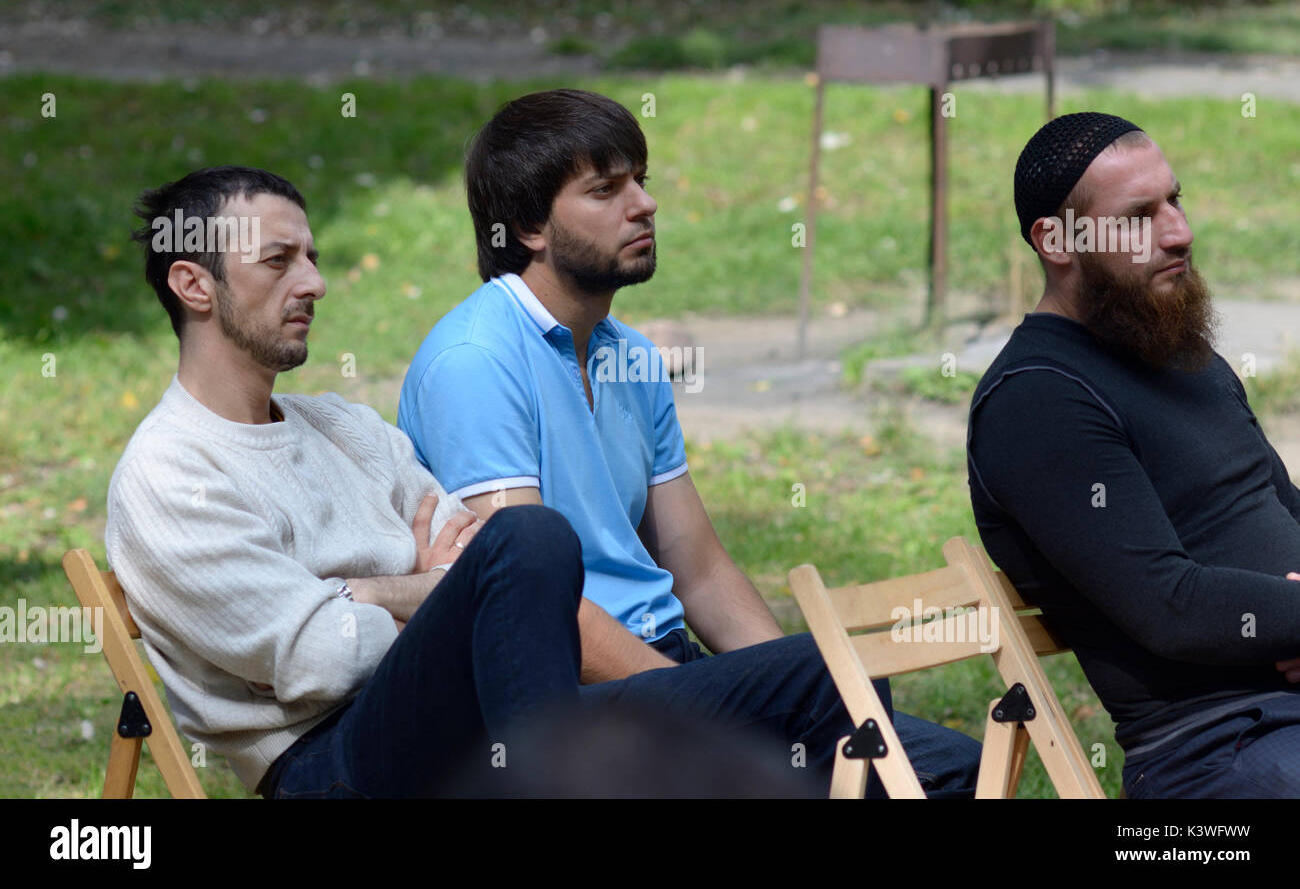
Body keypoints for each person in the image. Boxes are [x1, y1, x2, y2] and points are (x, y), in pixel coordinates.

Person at [106, 165, 887, 799]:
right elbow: (321, 659)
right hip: (337, 765)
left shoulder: (341, 425)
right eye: (279, 261)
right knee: (532, 535)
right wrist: (433, 584)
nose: (312, 282)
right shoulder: (172, 473)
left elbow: (479, 573)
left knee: (841, 679)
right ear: (193, 284)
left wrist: (376, 590)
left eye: (312, 257)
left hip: (489, 723)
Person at [398, 88, 982, 797]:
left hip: (670, 665)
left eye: (641, 181)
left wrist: (795, 697)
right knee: (828, 713)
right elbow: (525, 611)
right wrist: (727, 722)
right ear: (528, 226)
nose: (642, 205)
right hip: (568, 701)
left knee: (952, 767)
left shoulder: (631, 355)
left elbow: (699, 569)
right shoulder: (475, 360)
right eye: (605, 190)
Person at [967, 112, 1300, 798]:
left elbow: (1285, 509)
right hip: (1217, 747)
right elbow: (1170, 606)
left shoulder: (1181, 352)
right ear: (1054, 240)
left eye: (1174, 200)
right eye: (1139, 216)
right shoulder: (1037, 400)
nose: (1179, 231)